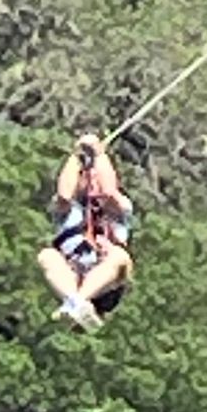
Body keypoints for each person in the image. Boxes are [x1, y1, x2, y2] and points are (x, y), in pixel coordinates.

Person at [37, 132, 133, 330]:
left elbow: (108, 193)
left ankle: (77, 303)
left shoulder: (119, 208)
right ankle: (76, 302)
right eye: (86, 178)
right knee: (46, 255)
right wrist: (75, 156)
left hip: (107, 282)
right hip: (75, 275)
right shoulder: (67, 212)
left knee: (120, 257)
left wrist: (99, 155)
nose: (91, 183)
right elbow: (64, 195)